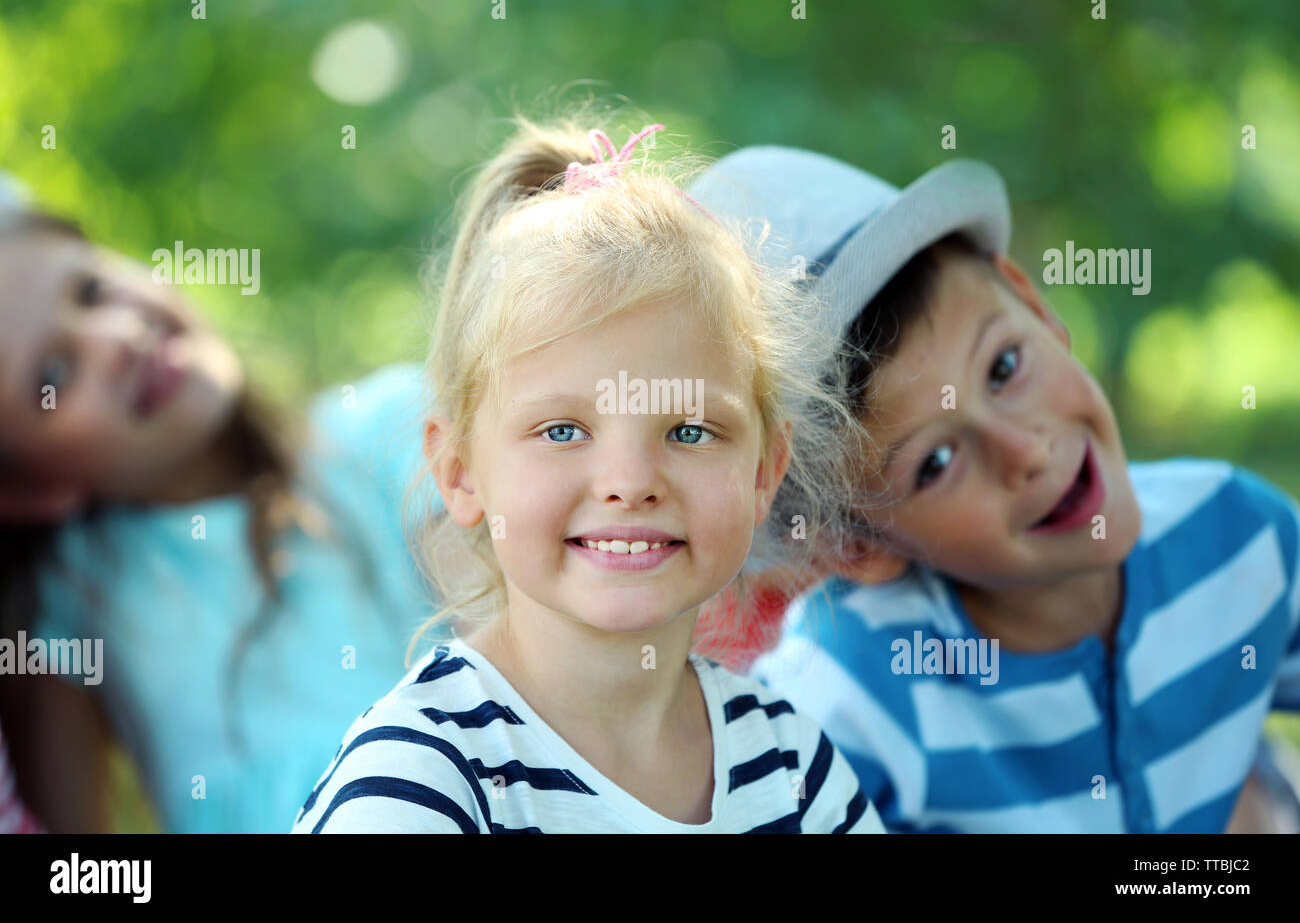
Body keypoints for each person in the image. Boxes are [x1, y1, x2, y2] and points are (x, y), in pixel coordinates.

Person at [292, 118, 886, 833]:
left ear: (765, 470)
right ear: (459, 472)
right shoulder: (420, 785)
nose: (631, 482)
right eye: (563, 431)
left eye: (690, 430)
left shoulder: (792, 766)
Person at [688, 147, 1300, 833]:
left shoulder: (1237, 535)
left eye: (1005, 366)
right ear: (854, 545)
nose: (1027, 451)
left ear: (1034, 304)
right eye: (937, 461)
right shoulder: (852, 703)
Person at [0, 171, 441, 832]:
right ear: (32, 488)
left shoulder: (395, 432)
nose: (118, 335)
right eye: (54, 375)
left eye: (91, 289)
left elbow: (533, 686)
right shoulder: (76, 595)